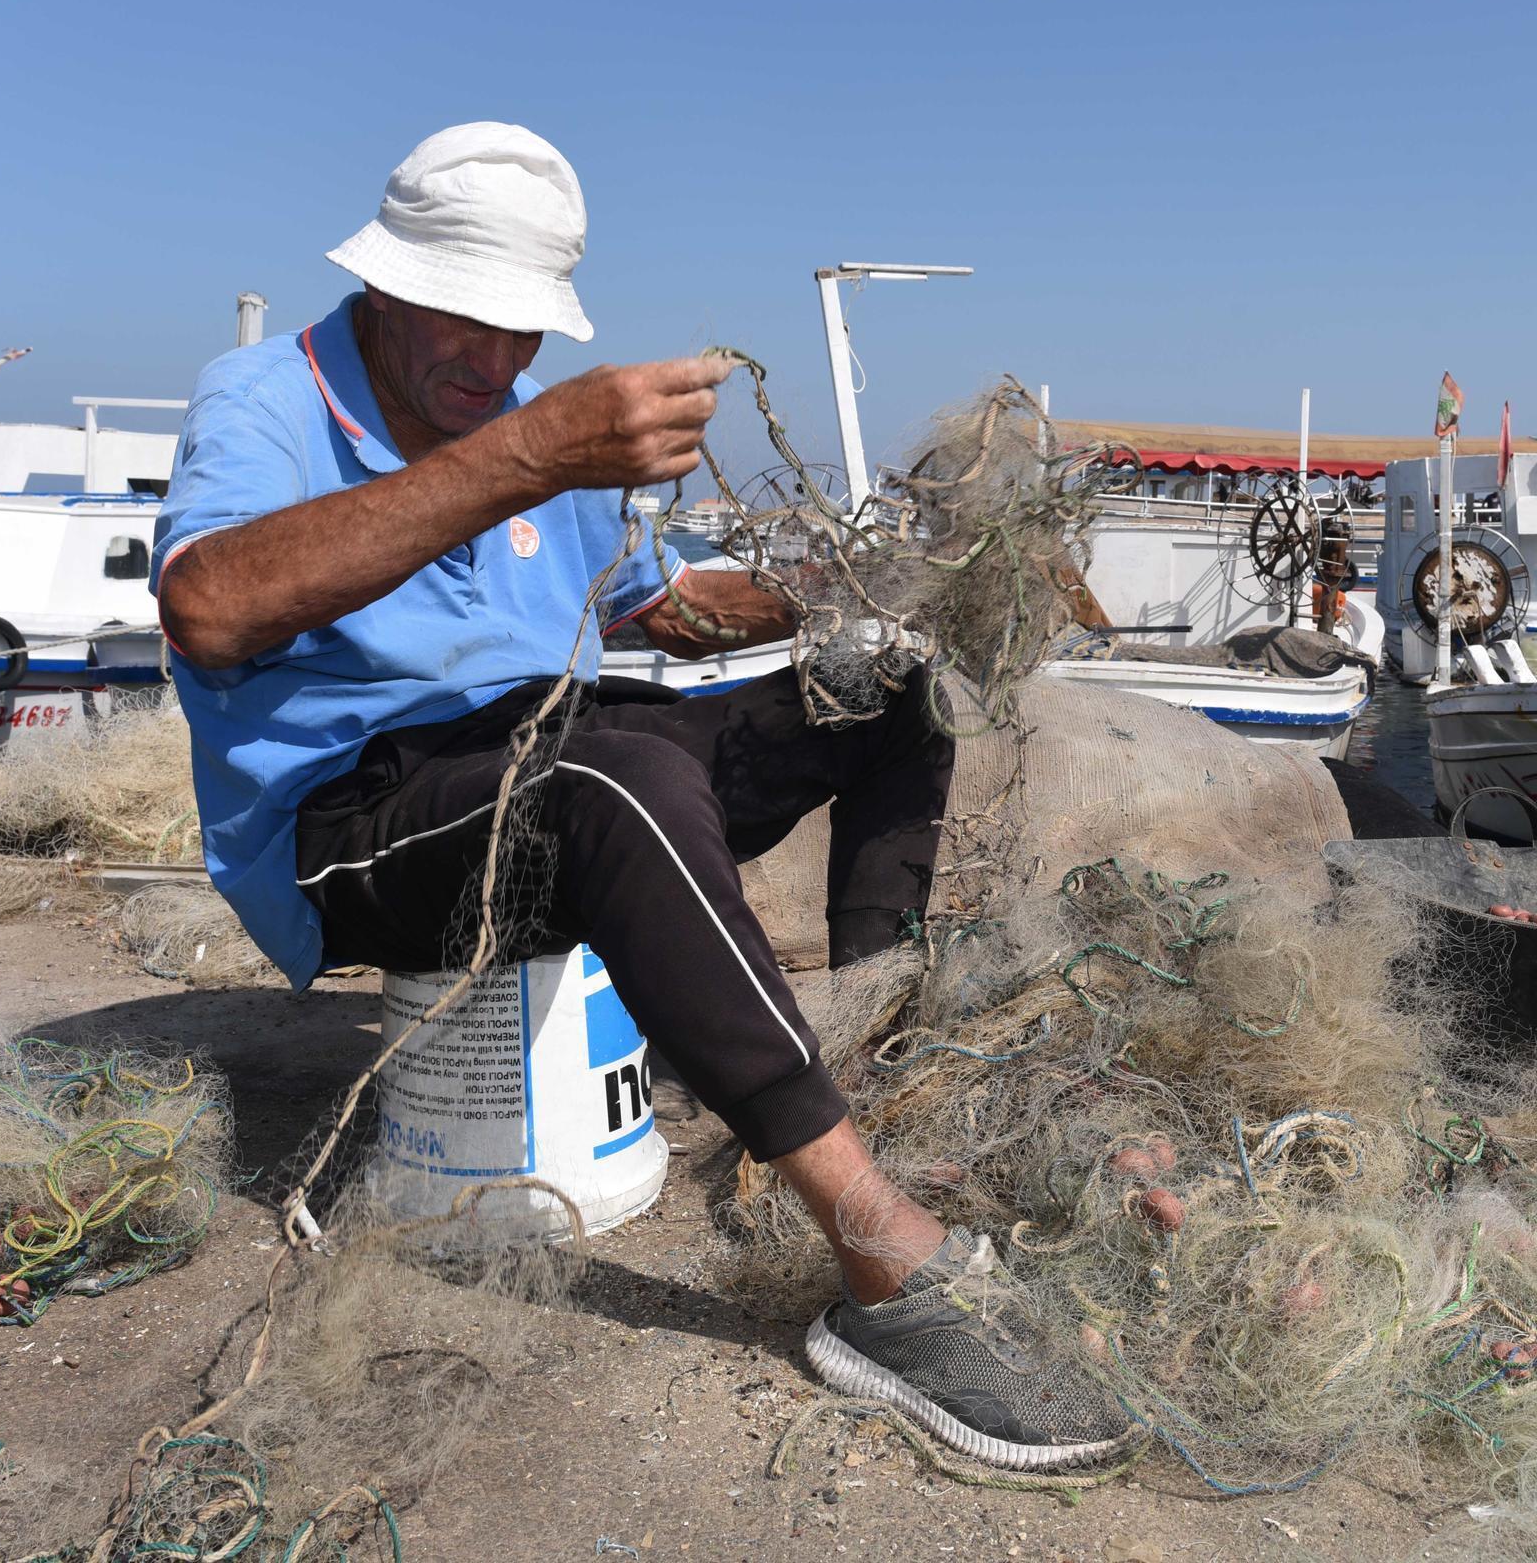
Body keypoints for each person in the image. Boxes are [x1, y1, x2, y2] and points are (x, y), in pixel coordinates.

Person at [152, 123, 1128, 1470]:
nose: (492, 365)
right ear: (382, 280)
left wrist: (849, 594)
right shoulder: (266, 399)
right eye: (465, 321)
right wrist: (533, 451)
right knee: (619, 773)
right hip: (355, 828)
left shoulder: (523, 432)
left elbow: (661, 610)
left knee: (881, 697)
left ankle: (870, 1051)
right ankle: (884, 1271)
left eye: (520, 338)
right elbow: (206, 610)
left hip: (556, 762)